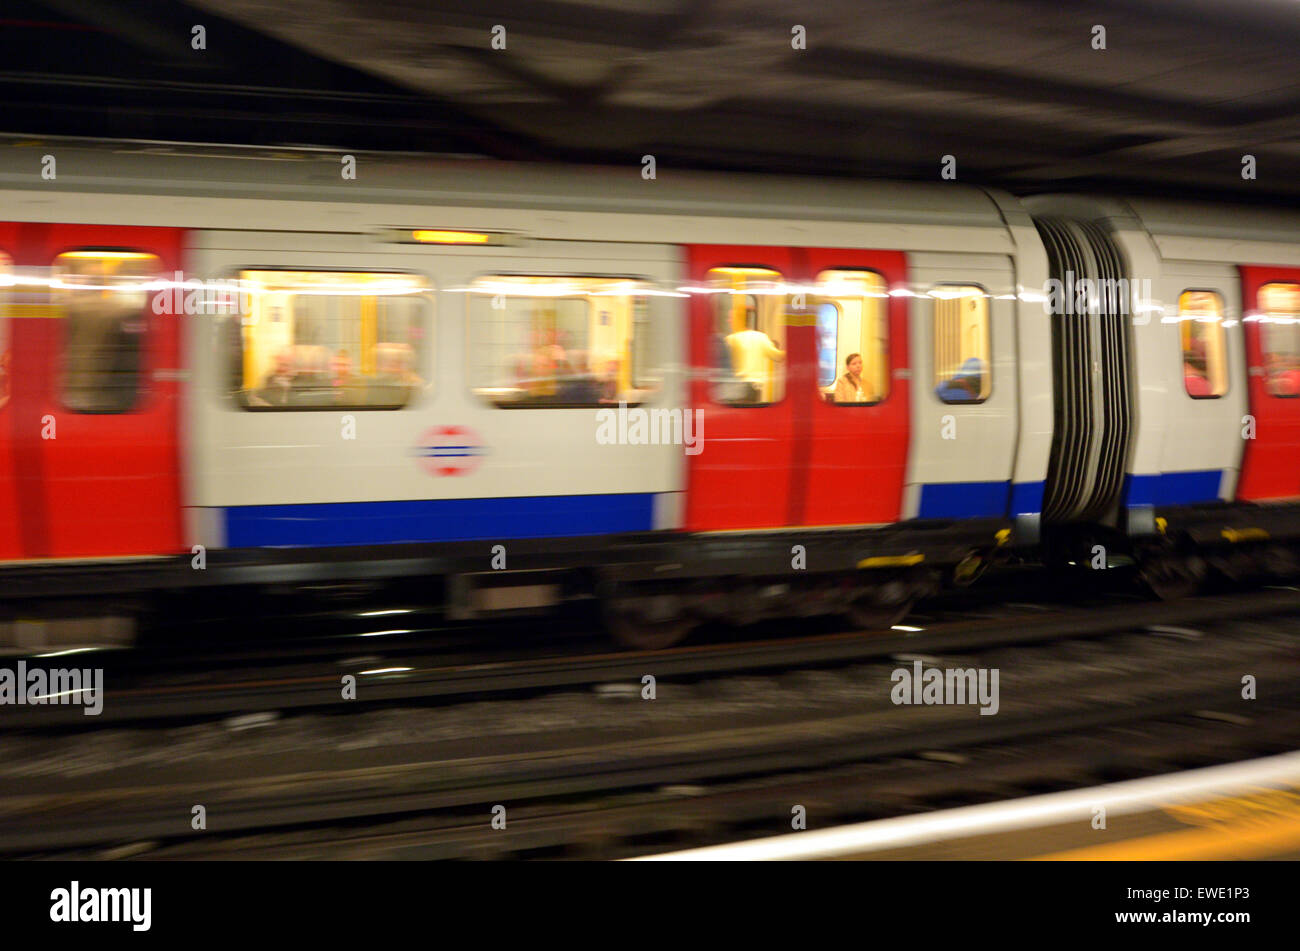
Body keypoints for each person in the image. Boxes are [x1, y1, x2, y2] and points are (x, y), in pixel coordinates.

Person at [725, 306, 785, 402]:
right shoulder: (761, 337)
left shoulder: (730, 340)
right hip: (754, 388)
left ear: (738, 320)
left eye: (731, 318)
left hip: (736, 388)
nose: (729, 321)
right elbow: (778, 356)